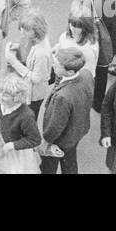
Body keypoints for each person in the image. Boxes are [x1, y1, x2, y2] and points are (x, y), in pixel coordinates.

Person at [38, 45, 92, 174]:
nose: (53, 66)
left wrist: (46, 142)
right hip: (77, 129)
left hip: (60, 138)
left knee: (48, 166)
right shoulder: (86, 74)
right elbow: (62, 82)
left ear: (70, 72)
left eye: (57, 65)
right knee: (69, 161)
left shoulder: (62, 97)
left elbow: (55, 126)